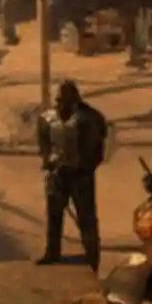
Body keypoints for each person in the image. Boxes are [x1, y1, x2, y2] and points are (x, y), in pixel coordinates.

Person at [36, 80, 106, 272]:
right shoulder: (47, 118)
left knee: (86, 216)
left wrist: (87, 166)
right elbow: (43, 143)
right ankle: (52, 251)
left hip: (80, 174)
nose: (63, 104)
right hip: (58, 173)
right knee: (54, 214)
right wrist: (48, 160)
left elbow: (99, 145)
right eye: (61, 99)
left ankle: (92, 254)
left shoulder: (89, 118)